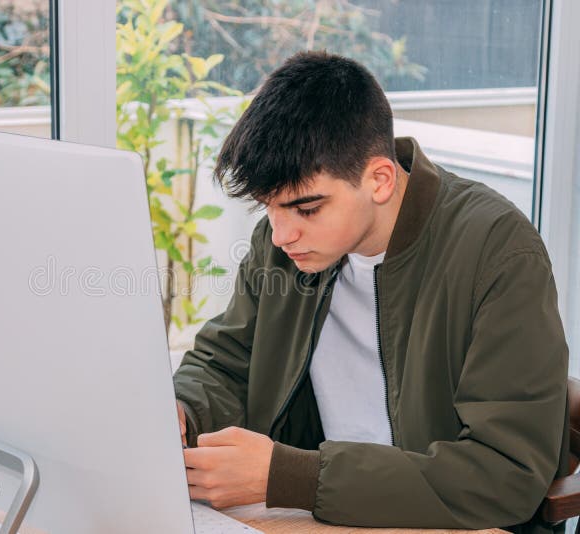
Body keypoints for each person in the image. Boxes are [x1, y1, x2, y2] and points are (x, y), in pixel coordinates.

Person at [172, 51, 570, 534]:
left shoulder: (497, 251)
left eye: (306, 208)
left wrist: (288, 476)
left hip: (450, 523)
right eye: (268, 209)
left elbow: (505, 476)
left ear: (379, 180)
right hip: (315, 514)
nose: (280, 235)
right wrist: (182, 411)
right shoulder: (284, 247)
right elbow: (226, 361)